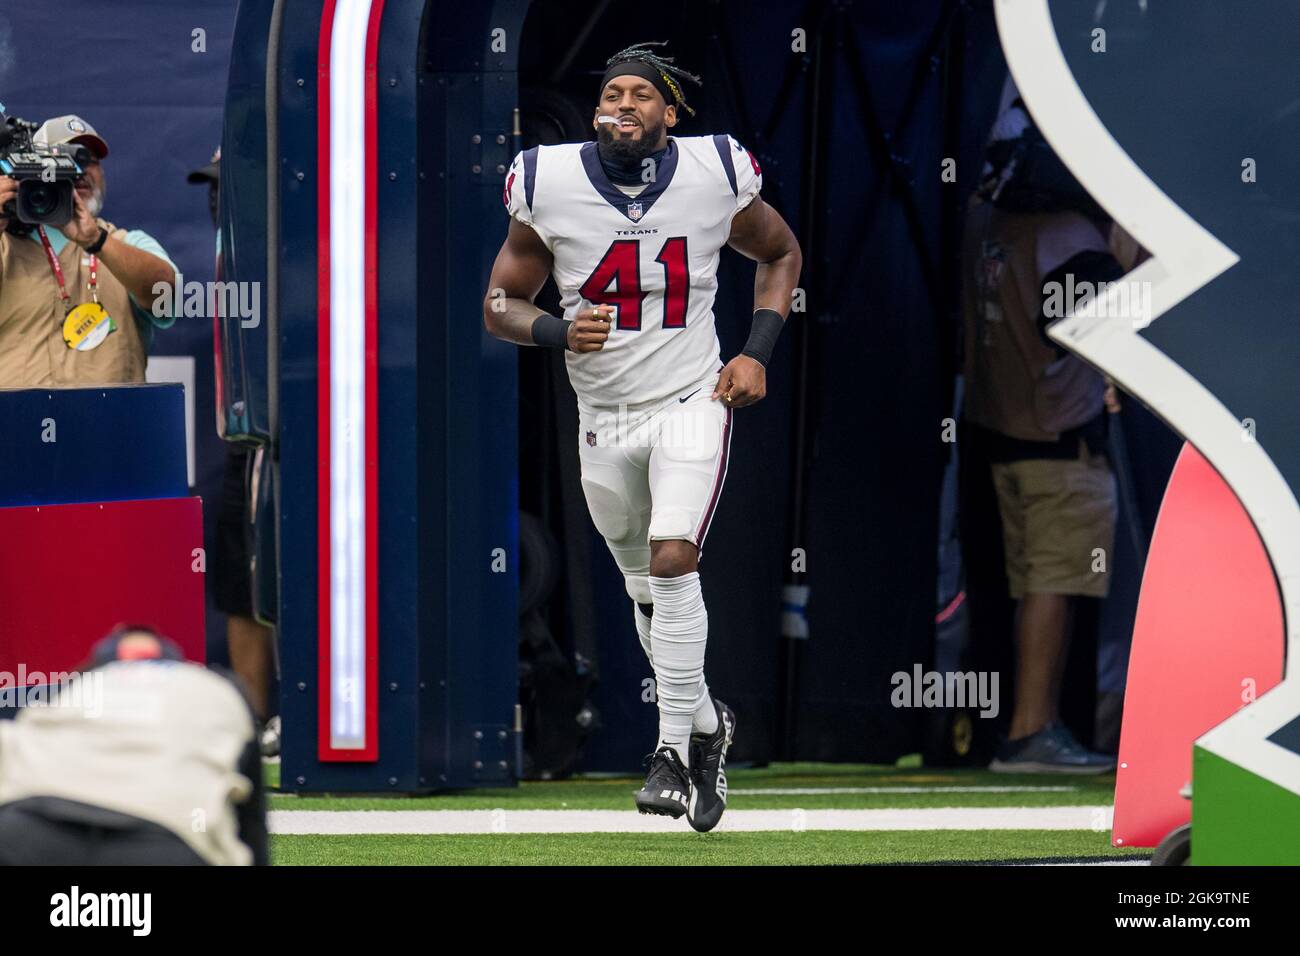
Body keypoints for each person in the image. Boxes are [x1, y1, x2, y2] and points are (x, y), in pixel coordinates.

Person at [483, 43, 802, 830]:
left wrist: (755, 352)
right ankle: (707, 726)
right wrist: (557, 329)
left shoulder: (714, 170)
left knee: (673, 555)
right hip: (604, 417)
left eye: (641, 94)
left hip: (690, 397)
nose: (623, 104)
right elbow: (498, 302)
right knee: (643, 588)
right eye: (612, 92)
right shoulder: (547, 180)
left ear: (671, 112)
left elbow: (781, 252)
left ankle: (666, 754)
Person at [961, 87, 1119, 774]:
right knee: (1054, 587)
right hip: (1059, 443)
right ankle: (1032, 730)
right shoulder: (1075, 243)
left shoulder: (987, 226)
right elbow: (1114, 334)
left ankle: (1024, 727)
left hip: (996, 437)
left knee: (1025, 587)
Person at [0, 626, 268, 866]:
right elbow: (251, 827)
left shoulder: (68, 695)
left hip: (30, 831)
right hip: (167, 840)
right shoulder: (215, 689)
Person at [188, 147, 279, 755]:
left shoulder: (288, 246)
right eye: (213, 186)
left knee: (284, 573)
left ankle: (306, 711)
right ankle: (249, 723)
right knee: (237, 582)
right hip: (240, 436)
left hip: (294, 437)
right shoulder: (226, 258)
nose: (219, 197)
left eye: (232, 184)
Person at [0, 114, 177, 387]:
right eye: (65, 157)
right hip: (18, 426)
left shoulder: (127, 242)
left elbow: (167, 296)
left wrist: (96, 241)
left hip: (108, 426)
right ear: (32, 168)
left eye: (88, 159)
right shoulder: (5, 245)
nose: (80, 171)